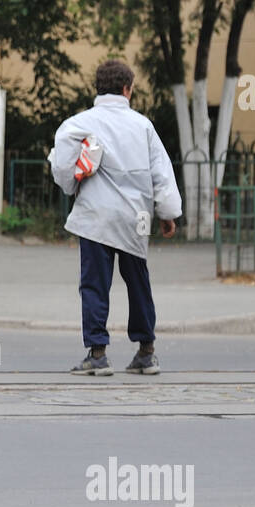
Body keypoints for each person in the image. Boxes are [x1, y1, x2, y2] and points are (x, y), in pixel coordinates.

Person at [49, 58, 182, 375]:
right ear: (127, 89)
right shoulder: (143, 125)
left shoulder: (79, 123)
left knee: (94, 284)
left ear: (99, 89)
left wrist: (71, 184)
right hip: (135, 218)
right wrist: (167, 213)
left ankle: (97, 354)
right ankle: (146, 351)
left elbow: (62, 166)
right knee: (138, 283)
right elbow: (161, 173)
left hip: (95, 217)